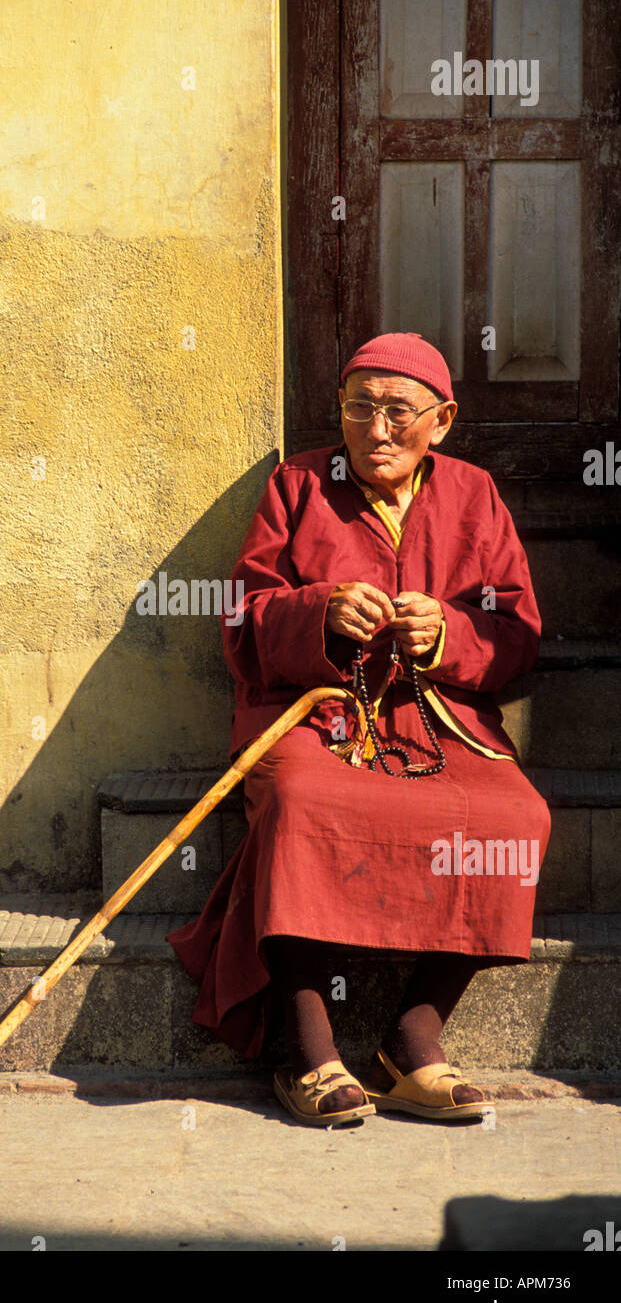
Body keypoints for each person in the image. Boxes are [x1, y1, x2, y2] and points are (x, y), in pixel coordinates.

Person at [167, 332, 552, 1127]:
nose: (375, 430)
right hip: (320, 713)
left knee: (513, 818)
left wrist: (447, 633)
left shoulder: (474, 495)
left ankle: (412, 1038)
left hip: (434, 720)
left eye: (396, 411)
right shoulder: (297, 486)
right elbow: (242, 616)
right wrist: (319, 614)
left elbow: (515, 631)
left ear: (439, 422)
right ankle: (306, 1048)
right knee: (304, 805)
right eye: (357, 408)